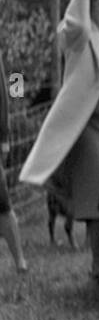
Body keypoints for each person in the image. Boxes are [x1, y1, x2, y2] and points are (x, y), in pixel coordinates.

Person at [19, 0, 99, 287]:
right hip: (87, 124)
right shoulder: (80, 33)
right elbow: (72, 25)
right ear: (96, 0)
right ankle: (98, 268)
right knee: (97, 198)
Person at [0, 45, 29, 274]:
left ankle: (20, 261)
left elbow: (8, 89)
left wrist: (5, 135)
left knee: (3, 202)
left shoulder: (15, 54)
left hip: (11, 111)